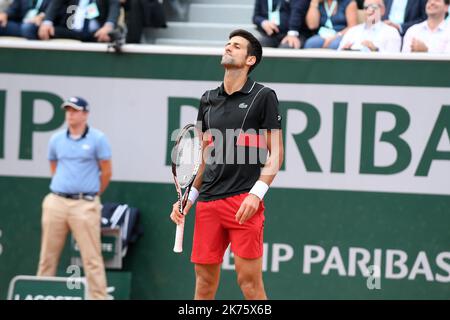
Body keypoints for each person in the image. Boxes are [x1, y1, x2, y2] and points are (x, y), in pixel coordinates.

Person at [170, 29, 284, 300]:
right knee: (204, 286)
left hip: (243, 201)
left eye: (236, 46)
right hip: (209, 203)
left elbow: (276, 153)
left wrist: (256, 195)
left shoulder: (263, 96)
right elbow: (205, 156)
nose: (228, 47)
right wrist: (190, 197)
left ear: (250, 60)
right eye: (227, 44)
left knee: (250, 286)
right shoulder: (208, 98)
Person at [36, 96, 112, 300]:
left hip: (85, 205)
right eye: (68, 110)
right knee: (47, 258)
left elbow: (106, 172)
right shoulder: (56, 139)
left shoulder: (98, 139)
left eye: (75, 110)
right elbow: (54, 166)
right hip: (56, 202)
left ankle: (99, 298)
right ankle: (40, 295)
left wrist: (92, 193)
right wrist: (65, 187)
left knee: (92, 259)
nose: (70, 114)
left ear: (85, 114)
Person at [38, 0, 120, 42]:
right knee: (31, 29)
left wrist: (108, 26)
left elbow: (114, 6)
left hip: (96, 34)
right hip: (69, 31)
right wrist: (47, 22)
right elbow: (55, 4)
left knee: (112, 36)